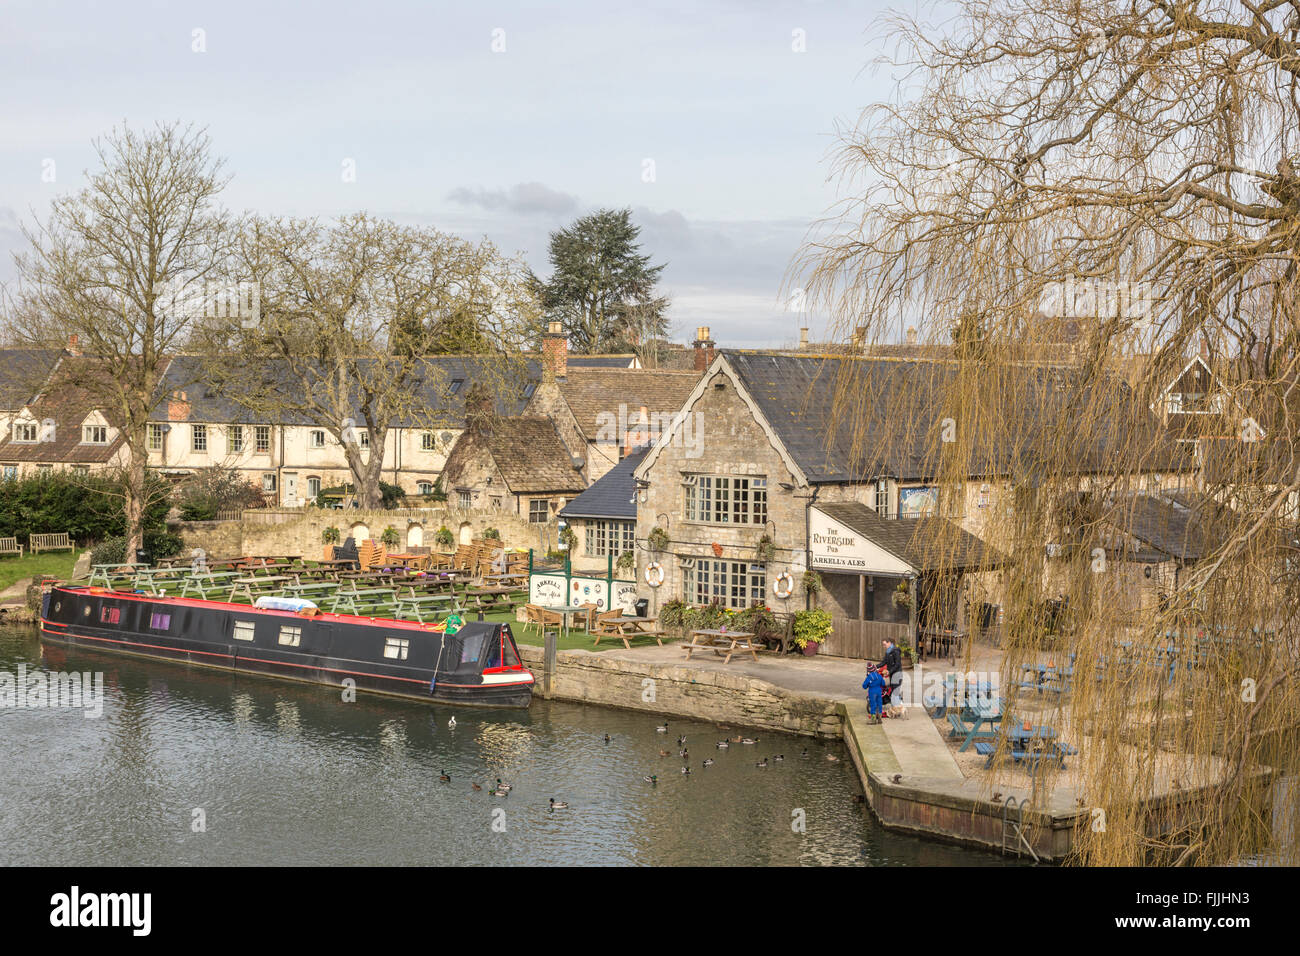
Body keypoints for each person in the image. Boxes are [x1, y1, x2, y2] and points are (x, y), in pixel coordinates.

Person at [881, 638, 903, 713]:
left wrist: (889, 671)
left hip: (897, 674)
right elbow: (884, 662)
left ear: (889, 643)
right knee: (893, 691)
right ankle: (896, 709)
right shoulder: (888, 652)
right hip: (892, 674)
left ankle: (898, 709)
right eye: (883, 645)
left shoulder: (896, 651)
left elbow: (897, 664)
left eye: (885, 644)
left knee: (894, 693)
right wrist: (874, 667)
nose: (884, 646)